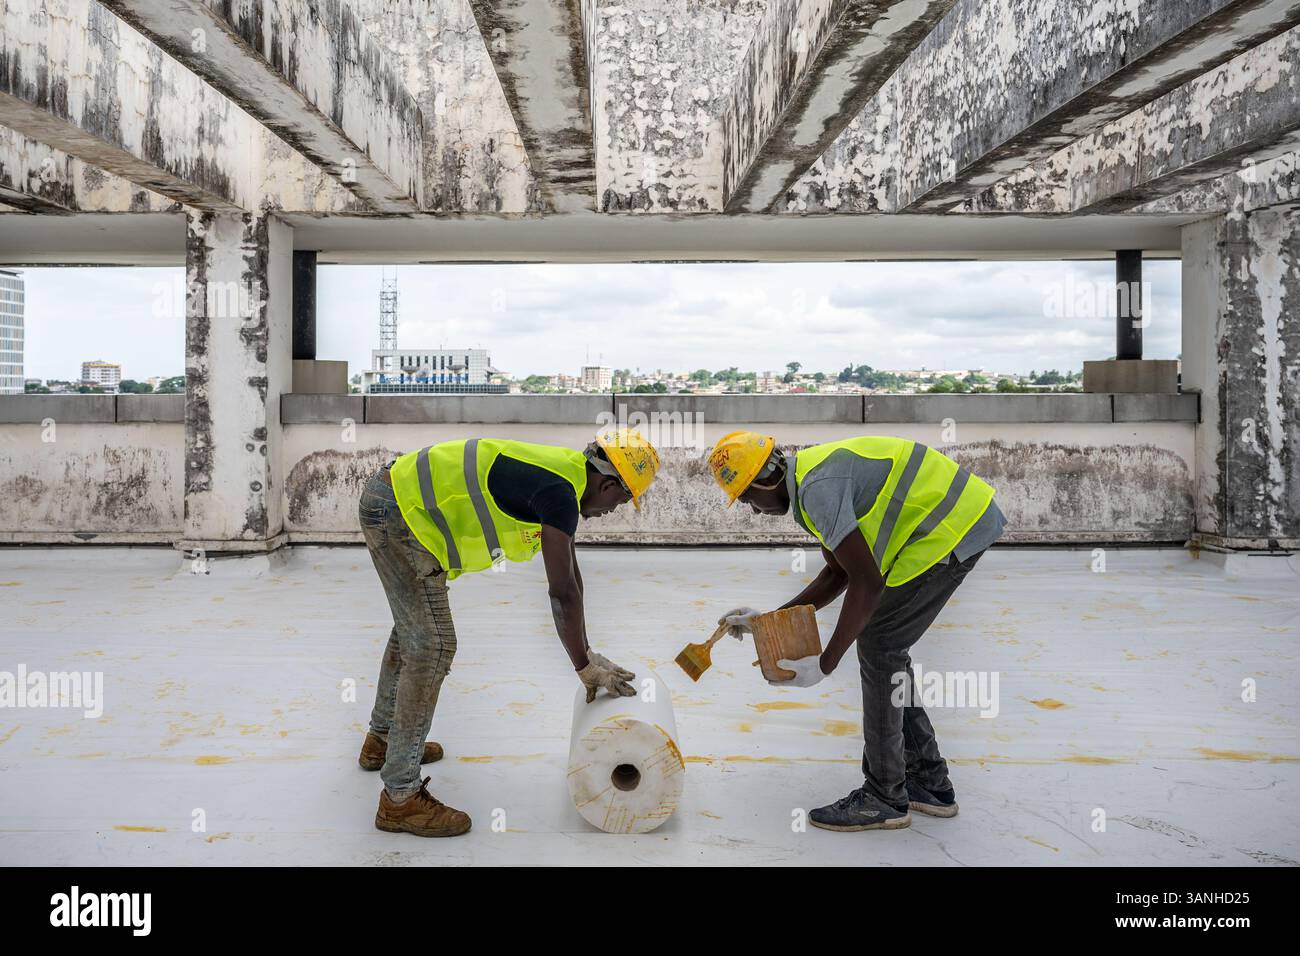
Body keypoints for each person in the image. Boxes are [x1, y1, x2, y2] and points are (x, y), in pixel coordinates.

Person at [357, 428, 660, 837]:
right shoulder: (558, 493)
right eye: (621, 500)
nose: (614, 509)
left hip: (396, 502)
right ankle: (400, 797)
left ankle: (384, 741)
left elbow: (571, 578)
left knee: (414, 633)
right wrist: (584, 667)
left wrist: (590, 652)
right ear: (607, 484)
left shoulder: (565, 477)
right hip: (399, 513)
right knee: (432, 645)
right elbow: (560, 594)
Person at [707, 431, 1004, 832]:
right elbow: (838, 573)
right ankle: (928, 781)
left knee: (881, 644)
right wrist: (766, 623)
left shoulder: (818, 490)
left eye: (745, 497)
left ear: (764, 480)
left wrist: (825, 664)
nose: (752, 509)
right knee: (887, 647)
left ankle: (884, 796)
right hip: (958, 521)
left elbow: (866, 582)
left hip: (955, 527)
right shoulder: (810, 484)